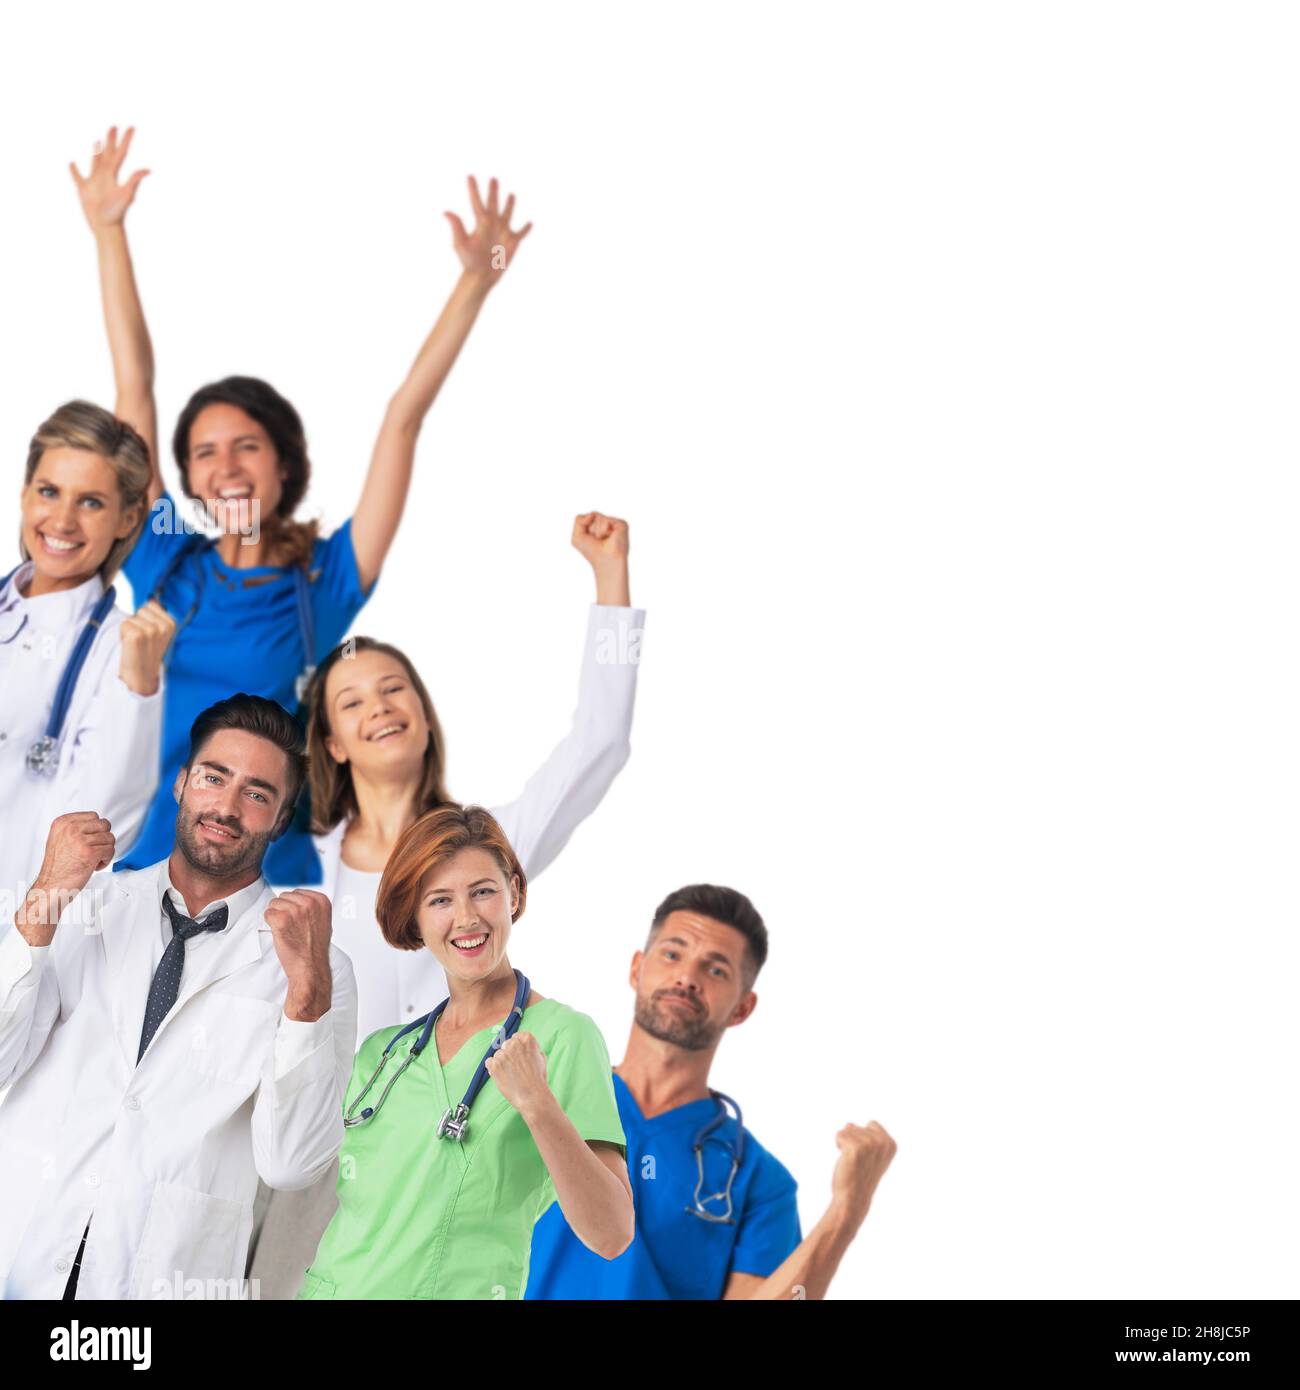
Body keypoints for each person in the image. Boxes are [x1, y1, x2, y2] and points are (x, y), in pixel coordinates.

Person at [70, 125, 532, 883]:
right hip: (141, 869)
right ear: (186, 477)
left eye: (246, 446)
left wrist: (476, 282)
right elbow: (134, 391)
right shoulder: (163, 554)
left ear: (284, 465)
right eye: (205, 453)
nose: (227, 467)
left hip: (269, 886)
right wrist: (108, 231)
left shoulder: (325, 580)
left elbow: (403, 417)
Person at [245, 510, 643, 1296]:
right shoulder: (300, 869)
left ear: (424, 713)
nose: (380, 707)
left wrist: (610, 581)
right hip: (315, 1147)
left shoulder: (487, 848)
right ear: (329, 741)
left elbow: (599, 743)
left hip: (444, 1180)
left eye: (394, 689)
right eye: (352, 702)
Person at [0, 694, 357, 1300]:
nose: (226, 806)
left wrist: (306, 997)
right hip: (23, 1247)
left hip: (163, 1276)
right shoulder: (80, 904)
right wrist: (43, 897)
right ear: (182, 783)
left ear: (280, 817)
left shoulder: (316, 967)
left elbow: (292, 1163)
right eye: (214, 778)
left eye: (257, 793)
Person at [297, 804, 632, 1300]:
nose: (467, 918)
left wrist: (537, 1103)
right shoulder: (383, 1054)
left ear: (513, 892)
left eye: (483, 892)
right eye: (440, 900)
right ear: (414, 915)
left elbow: (611, 1234)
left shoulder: (562, 1036)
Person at [526, 884, 897, 1300]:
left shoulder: (756, 1180)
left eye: (715, 969)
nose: (687, 978)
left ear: (742, 1007)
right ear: (637, 968)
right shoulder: (539, 1098)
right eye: (672, 954)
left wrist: (845, 1211)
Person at [0, 400, 172, 895]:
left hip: (17, 938)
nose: (63, 520)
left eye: (91, 502)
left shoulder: (121, 655)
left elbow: (100, 832)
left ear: (128, 517)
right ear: (25, 494)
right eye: (49, 492)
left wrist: (137, 689)